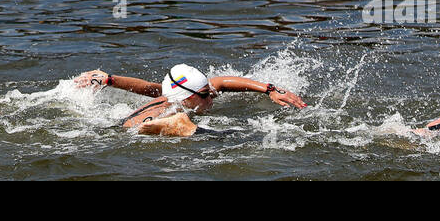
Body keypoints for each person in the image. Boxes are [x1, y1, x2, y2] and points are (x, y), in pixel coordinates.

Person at [73, 63, 306, 136]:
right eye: (205, 95)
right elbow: (141, 128)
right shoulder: (170, 112)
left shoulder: (172, 95)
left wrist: (270, 89)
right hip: (118, 133)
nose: (212, 96)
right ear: (188, 97)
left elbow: (221, 82)